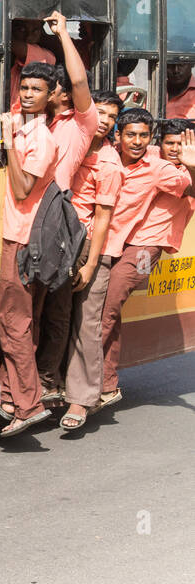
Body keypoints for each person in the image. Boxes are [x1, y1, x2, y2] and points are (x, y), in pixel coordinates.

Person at [98, 108, 193, 411]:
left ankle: (82, 378)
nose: (176, 149)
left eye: (182, 144)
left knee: (108, 306)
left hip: (146, 251)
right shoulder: (150, 155)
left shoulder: (177, 172)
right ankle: (106, 383)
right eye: (170, 143)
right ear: (159, 143)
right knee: (108, 310)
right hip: (122, 242)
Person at [35, 12, 98, 399]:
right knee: (31, 309)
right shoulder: (35, 122)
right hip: (29, 217)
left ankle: (46, 381)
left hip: (59, 220)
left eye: (51, 87)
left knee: (56, 311)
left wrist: (61, 35)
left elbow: (78, 79)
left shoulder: (80, 124)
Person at [0, 62, 59, 436]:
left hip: (21, 239)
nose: (29, 94)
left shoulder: (42, 139)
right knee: (16, 322)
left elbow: (22, 190)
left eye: (37, 89)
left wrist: (8, 143)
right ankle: (8, 397)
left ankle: (29, 405)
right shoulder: (23, 124)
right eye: (26, 88)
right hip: (16, 235)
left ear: (51, 96)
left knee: (15, 325)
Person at [58, 92, 125, 431]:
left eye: (112, 116)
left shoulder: (109, 163)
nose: (105, 120)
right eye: (100, 112)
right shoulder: (71, 144)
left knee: (86, 323)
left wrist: (89, 265)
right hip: (61, 242)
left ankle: (80, 401)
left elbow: (102, 219)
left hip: (93, 247)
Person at [9, 18, 56, 114]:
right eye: (22, 30)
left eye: (35, 31)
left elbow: (13, 44)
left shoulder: (46, 56)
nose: (28, 36)